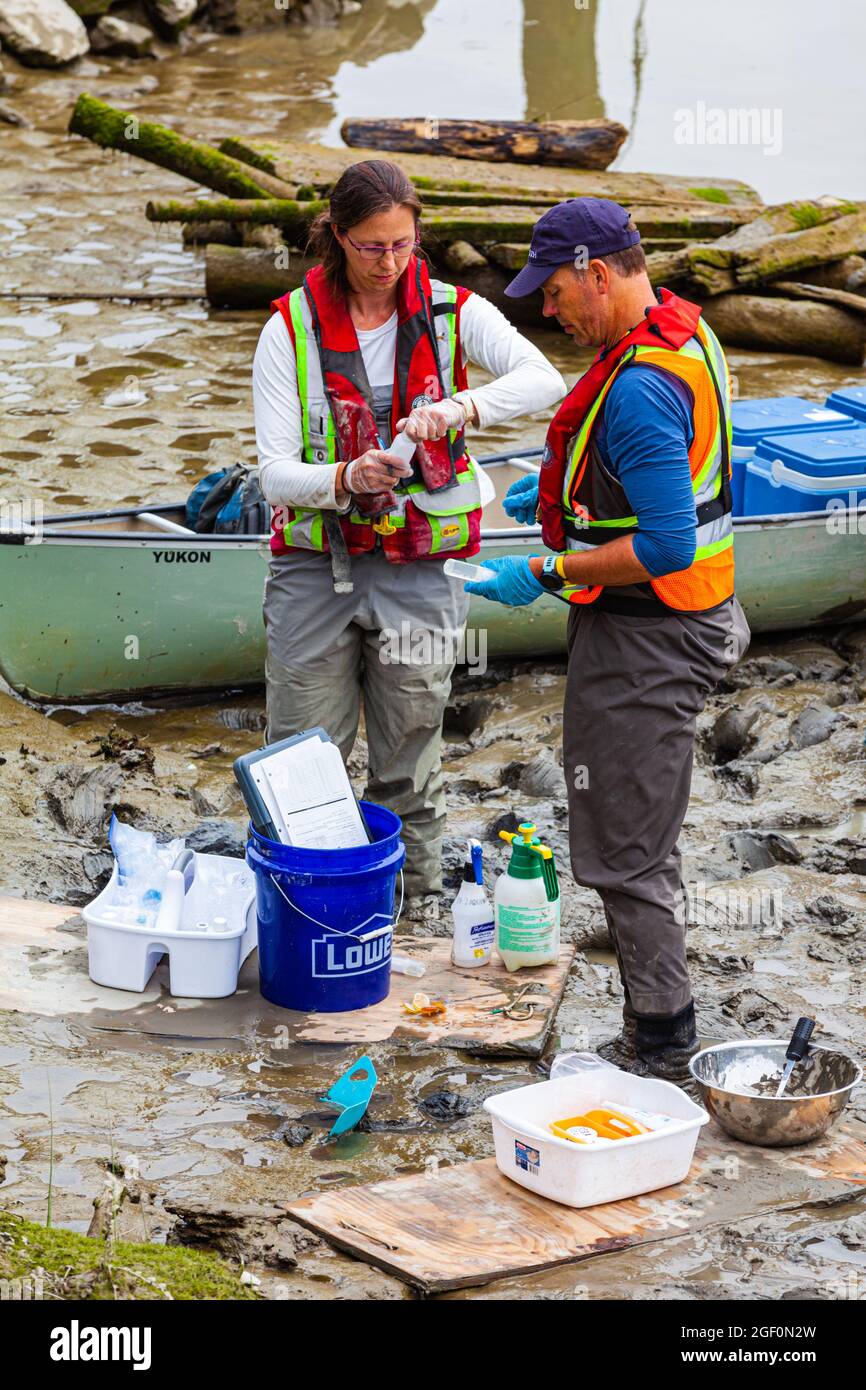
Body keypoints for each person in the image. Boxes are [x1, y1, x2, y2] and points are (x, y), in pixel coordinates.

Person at [466, 198, 751, 1086]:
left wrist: (548, 570)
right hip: (691, 617)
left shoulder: (635, 391)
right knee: (639, 836)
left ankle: (662, 1043)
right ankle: (658, 1022)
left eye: (554, 294)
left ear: (597, 271)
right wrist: (569, 496)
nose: (548, 313)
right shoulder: (683, 335)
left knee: (625, 854)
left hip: (652, 637)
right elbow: (680, 482)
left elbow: (666, 544)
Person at [253, 160, 565, 900]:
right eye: (370, 248)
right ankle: (300, 907)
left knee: (411, 754)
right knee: (301, 757)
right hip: (315, 571)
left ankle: (415, 907)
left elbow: (544, 378)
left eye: (403, 244)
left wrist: (462, 409)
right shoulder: (288, 330)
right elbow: (273, 473)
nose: (389, 264)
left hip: (422, 575)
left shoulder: (456, 312)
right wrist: (344, 479)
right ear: (336, 237)